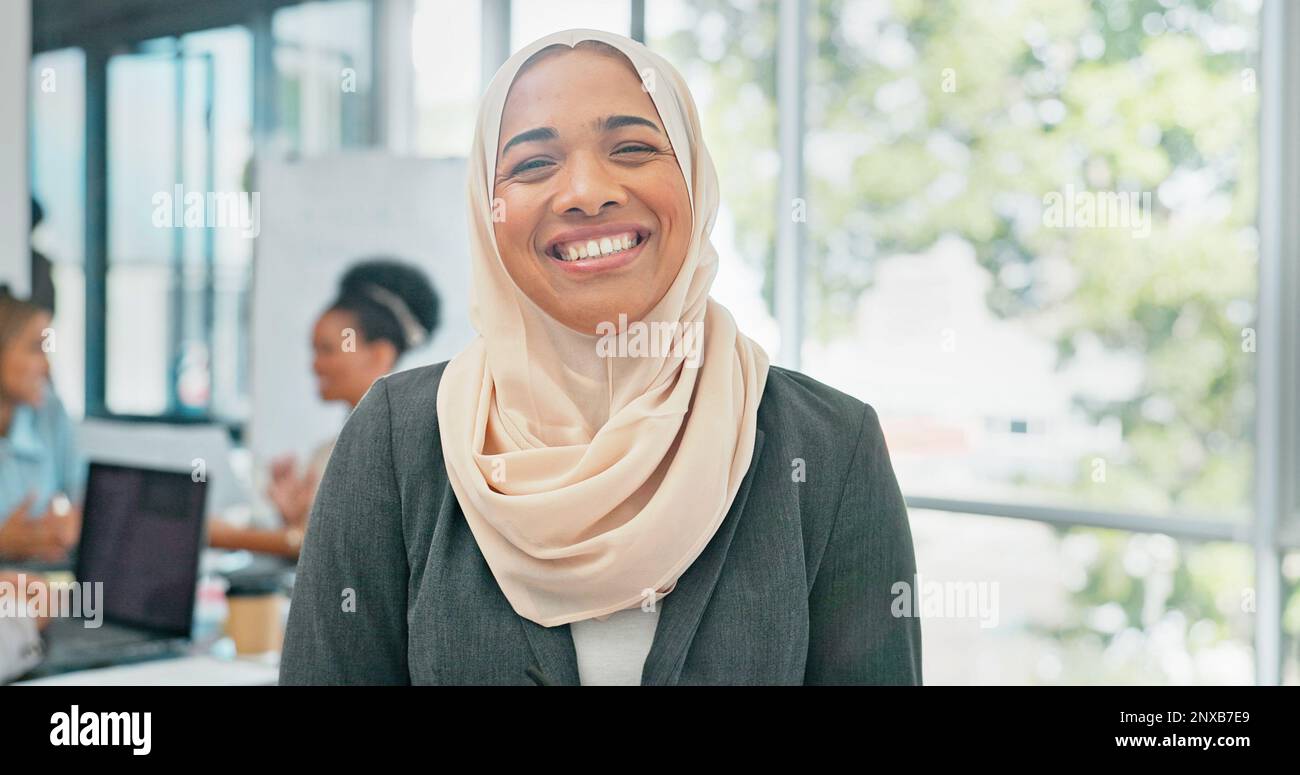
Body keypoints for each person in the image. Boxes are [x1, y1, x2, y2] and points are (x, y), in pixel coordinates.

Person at [280, 29, 921, 685]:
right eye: (533, 164)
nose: (587, 191)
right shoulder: (398, 436)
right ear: (485, 205)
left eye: (634, 147)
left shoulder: (830, 446)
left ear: (696, 179)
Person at [208, 260, 439, 558]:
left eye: (327, 350)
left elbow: (339, 546)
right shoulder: (330, 450)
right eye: (314, 350)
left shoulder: (403, 445)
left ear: (380, 354)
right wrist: (294, 518)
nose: (315, 365)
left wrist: (228, 536)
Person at [0, 289, 82, 563]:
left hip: (41, 590)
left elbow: (89, 500)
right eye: (36, 348)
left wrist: (70, 526)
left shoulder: (50, 412)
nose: (46, 367)